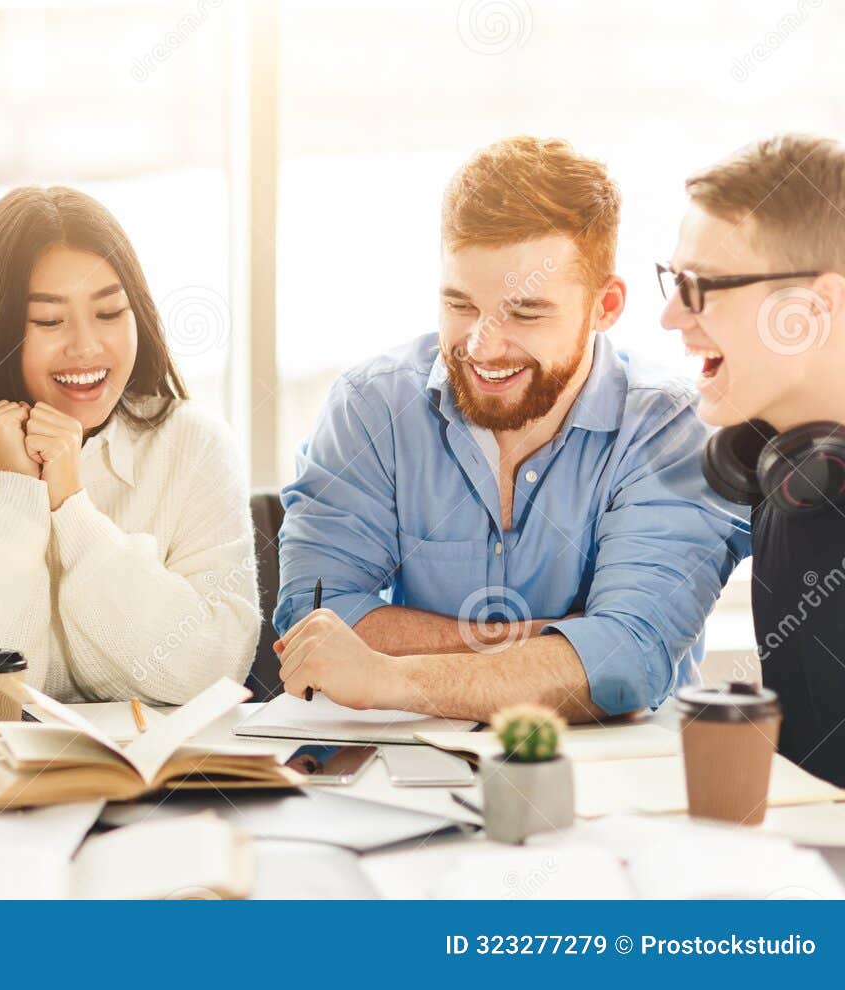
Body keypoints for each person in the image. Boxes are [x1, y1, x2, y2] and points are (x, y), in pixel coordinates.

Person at [274, 136, 749, 723]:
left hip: (613, 775)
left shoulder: (669, 429)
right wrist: (564, 645)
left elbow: (626, 662)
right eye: (461, 306)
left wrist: (383, 673)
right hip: (403, 765)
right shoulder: (373, 406)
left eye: (525, 313)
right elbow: (314, 624)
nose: (482, 346)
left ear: (605, 306)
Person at [0, 186, 257, 709]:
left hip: (158, 779)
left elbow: (209, 672)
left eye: (110, 313)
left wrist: (70, 505)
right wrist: (19, 497)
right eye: (48, 321)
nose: (86, 345)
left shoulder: (194, 442)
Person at [660, 133, 845, 786]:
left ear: (814, 307)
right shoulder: (792, 479)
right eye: (675, 280)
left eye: (702, 286)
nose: (670, 315)